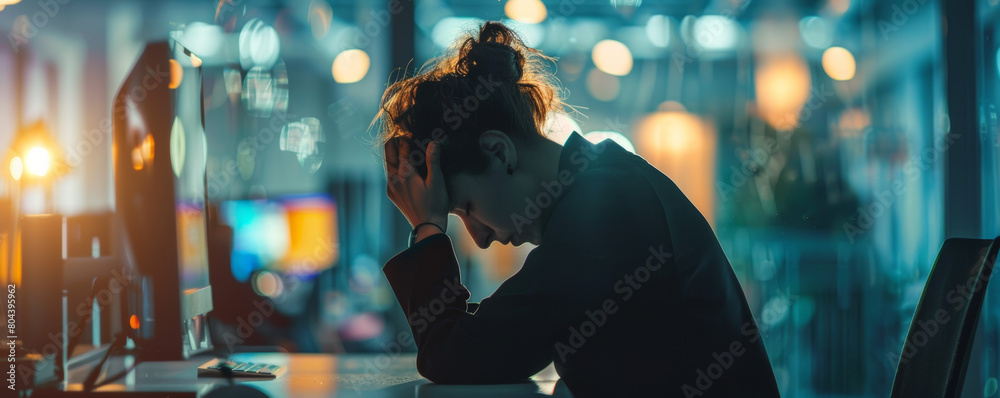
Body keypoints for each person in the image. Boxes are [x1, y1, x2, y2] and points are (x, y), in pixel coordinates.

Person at [374, 21, 780, 397]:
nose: (479, 239)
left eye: (467, 207)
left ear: (498, 151)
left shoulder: (604, 210)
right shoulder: (606, 184)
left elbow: (452, 354)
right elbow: (483, 337)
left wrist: (427, 227)